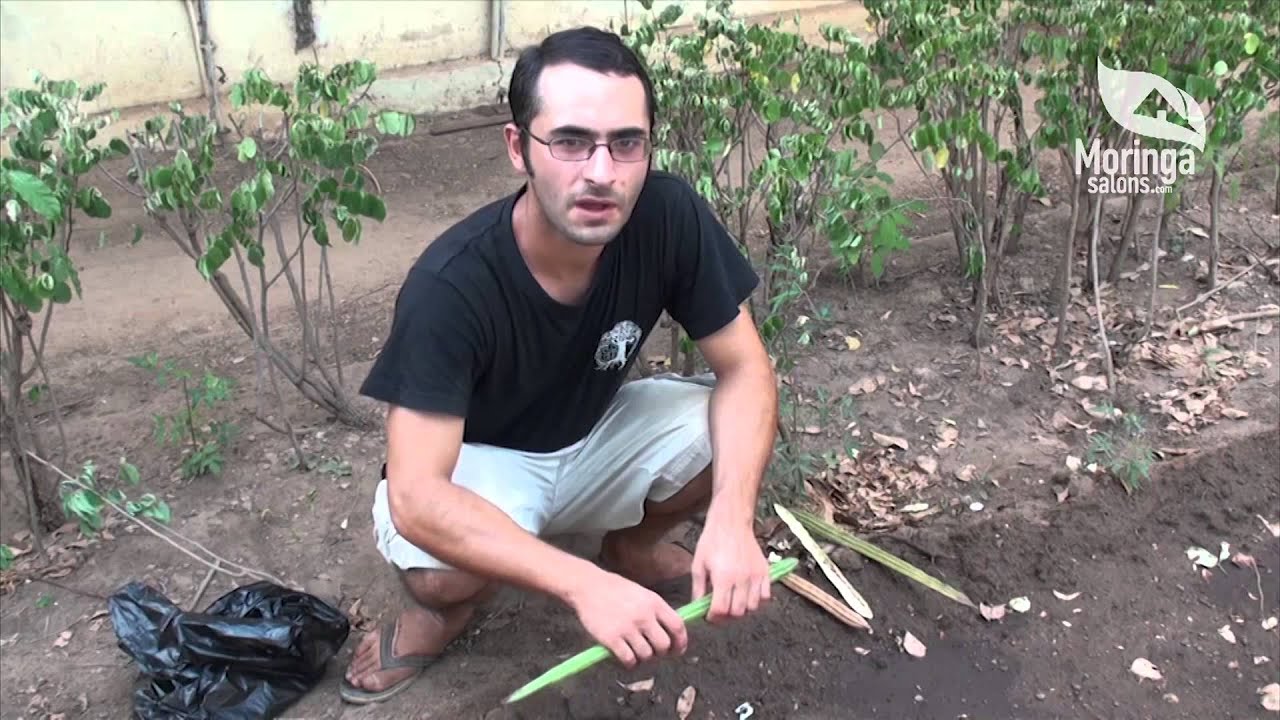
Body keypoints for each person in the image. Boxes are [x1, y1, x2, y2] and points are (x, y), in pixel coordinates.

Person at [339, 25, 779, 705]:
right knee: (437, 566)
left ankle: (630, 551)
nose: (601, 172)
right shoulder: (451, 286)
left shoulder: (667, 215)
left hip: (592, 436)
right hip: (485, 465)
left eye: (625, 142)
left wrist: (731, 517)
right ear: (520, 147)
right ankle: (439, 617)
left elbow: (747, 369)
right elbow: (418, 496)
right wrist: (582, 587)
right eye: (570, 141)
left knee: (722, 427)